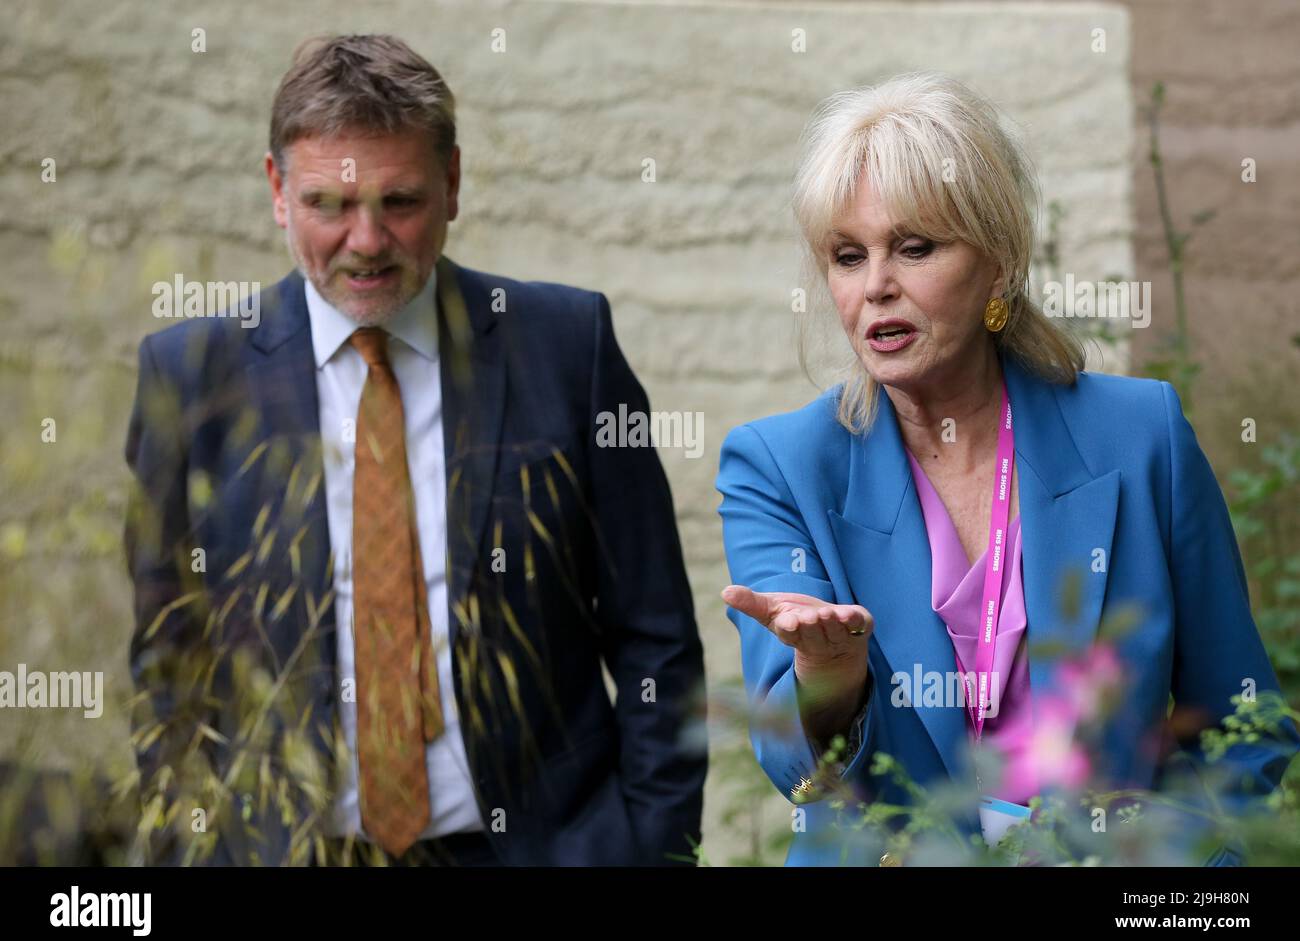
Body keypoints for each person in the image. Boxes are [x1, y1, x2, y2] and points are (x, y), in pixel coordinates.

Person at [124, 33, 705, 866]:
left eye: (399, 201)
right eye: (329, 204)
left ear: (453, 184)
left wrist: (656, 850)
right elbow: (167, 662)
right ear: (277, 191)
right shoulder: (186, 377)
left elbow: (655, 636)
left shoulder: (567, 347)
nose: (366, 241)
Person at [717, 72, 1298, 867]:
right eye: (848, 257)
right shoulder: (779, 466)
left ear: (997, 263)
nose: (876, 285)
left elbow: (1245, 723)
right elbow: (795, 771)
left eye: (914, 248)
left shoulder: (1141, 434)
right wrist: (828, 675)